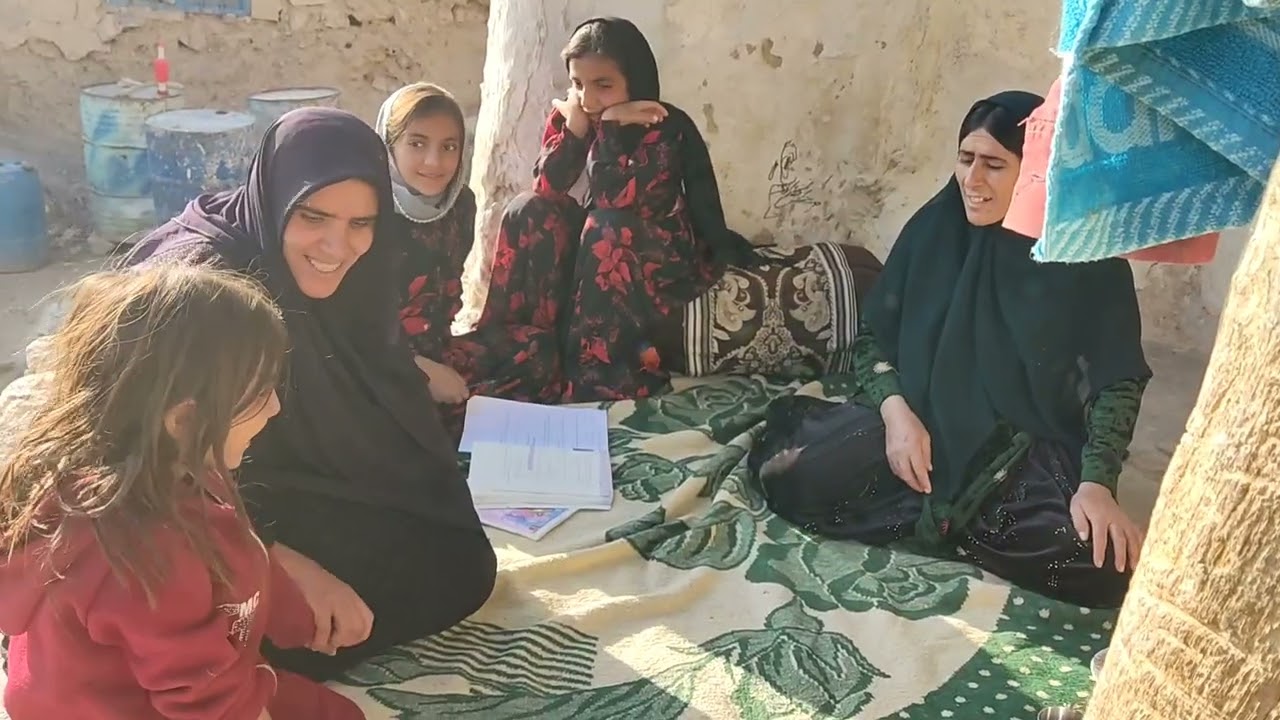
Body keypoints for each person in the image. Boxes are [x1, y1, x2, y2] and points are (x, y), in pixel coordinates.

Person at [126, 107, 497, 679]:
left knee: (456, 555)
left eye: (361, 223)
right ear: (277, 201)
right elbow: (144, 462)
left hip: (272, 479)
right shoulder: (202, 285)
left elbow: (377, 377)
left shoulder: (347, 267)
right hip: (183, 515)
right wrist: (270, 556)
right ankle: (194, 664)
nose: (336, 245)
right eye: (313, 216)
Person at [752, 91, 1150, 609]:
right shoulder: (936, 229)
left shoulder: (1087, 260)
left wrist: (1097, 484)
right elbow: (873, 339)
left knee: (1102, 568)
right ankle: (960, 527)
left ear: (1035, 173)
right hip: (918, 429)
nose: (972, 181)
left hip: (1019, 456)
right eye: (965, 159)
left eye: (994, 165)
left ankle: (948, 522)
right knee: (791, 476)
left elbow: (1115, 382)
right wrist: (897, 415)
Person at [0, 265, 363, 719]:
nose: (275, 407)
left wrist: (296, 617)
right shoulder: (142, 555)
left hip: (200, 676)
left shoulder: (179, 467)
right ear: (185, 420)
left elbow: (238, 554)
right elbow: (202, 701)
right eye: (258, 394)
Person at [484, 16, 761, 402]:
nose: (588, 99)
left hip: (656, 251)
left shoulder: (660, 126)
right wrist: (577, 131)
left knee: (605, 228)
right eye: (578, 84)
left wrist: (611, 130)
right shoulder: (577, 114)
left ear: (635, 80)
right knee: (525, 209)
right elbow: (547, 186)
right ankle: (517, 345)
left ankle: (596, 372)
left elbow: (618, 202)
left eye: (604, 85)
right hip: (600, 240)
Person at [377, 83, 563, 435]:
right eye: (417, 143)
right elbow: (348, 327)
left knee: (539, 350)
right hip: (381, 369)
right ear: (389, 145)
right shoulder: (366, 214)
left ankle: (457, 417)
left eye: (449, 147)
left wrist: (438, 366)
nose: (434, 162)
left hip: (440, 352)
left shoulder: (460, 205)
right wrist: (416, 368)